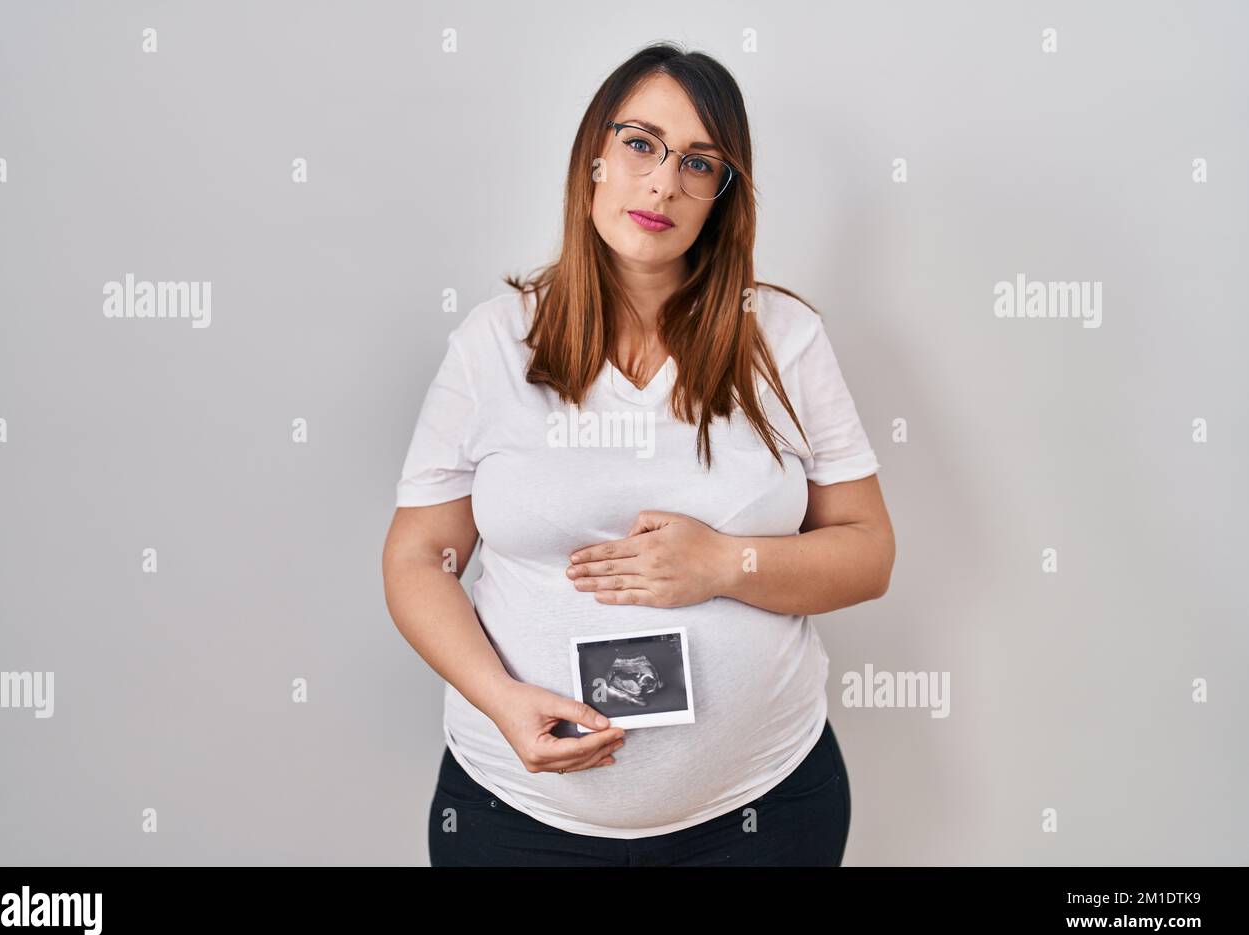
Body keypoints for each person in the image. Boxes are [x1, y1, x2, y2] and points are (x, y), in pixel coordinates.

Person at [382, 42, 895, 866]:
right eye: (641, 144)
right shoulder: (494, 341)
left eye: (700, 163)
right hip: (515, 817)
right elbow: (417, 557)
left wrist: (728, 564)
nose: (663, 183)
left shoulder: (785, 340)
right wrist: (500, 700)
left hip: (760, 816)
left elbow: (869, 554)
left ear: (723, 197)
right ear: (595, 154)